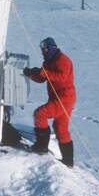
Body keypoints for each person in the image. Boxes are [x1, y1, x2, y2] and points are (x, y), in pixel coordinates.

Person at [24, 37, 75, 167]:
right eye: (42, 50)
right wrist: (31, 73)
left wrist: (44, 72)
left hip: (64, 98)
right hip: (58, 98)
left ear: (51, 48)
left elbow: (61, 77)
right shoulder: (48, 61)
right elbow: (42, 79)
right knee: (60, 128)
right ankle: (68, 161)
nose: (43, 52)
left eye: (45, 49)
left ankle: (41, 147)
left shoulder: (63, 60)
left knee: (40, 114)